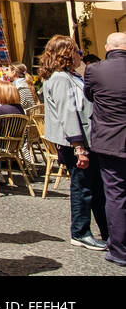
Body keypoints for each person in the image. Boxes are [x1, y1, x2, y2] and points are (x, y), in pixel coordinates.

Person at [41, 34, 110, 251]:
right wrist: (79, 147)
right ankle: (80, 232)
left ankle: (107, 231)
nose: (80, 55)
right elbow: (68, 113)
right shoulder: (61, 78)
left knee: (93, 186)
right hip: (75, 143)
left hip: (81, 140)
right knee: (83, 187)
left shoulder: (68, 76)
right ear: (66, 54)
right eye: (77, 51)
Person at [84, 32, 126, 267]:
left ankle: (119, 250)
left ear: (108, 47)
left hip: (110, 141)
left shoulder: (95, 70)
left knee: (115, 195)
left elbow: (89, 95)